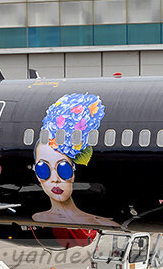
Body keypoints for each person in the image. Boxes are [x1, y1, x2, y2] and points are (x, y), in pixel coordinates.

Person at [31, 93, 119, 228]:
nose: (55, 180)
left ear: (73, 173)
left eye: (63, 169)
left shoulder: (102, 223)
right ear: (36, 174)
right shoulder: (36, 217)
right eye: (43, 169)